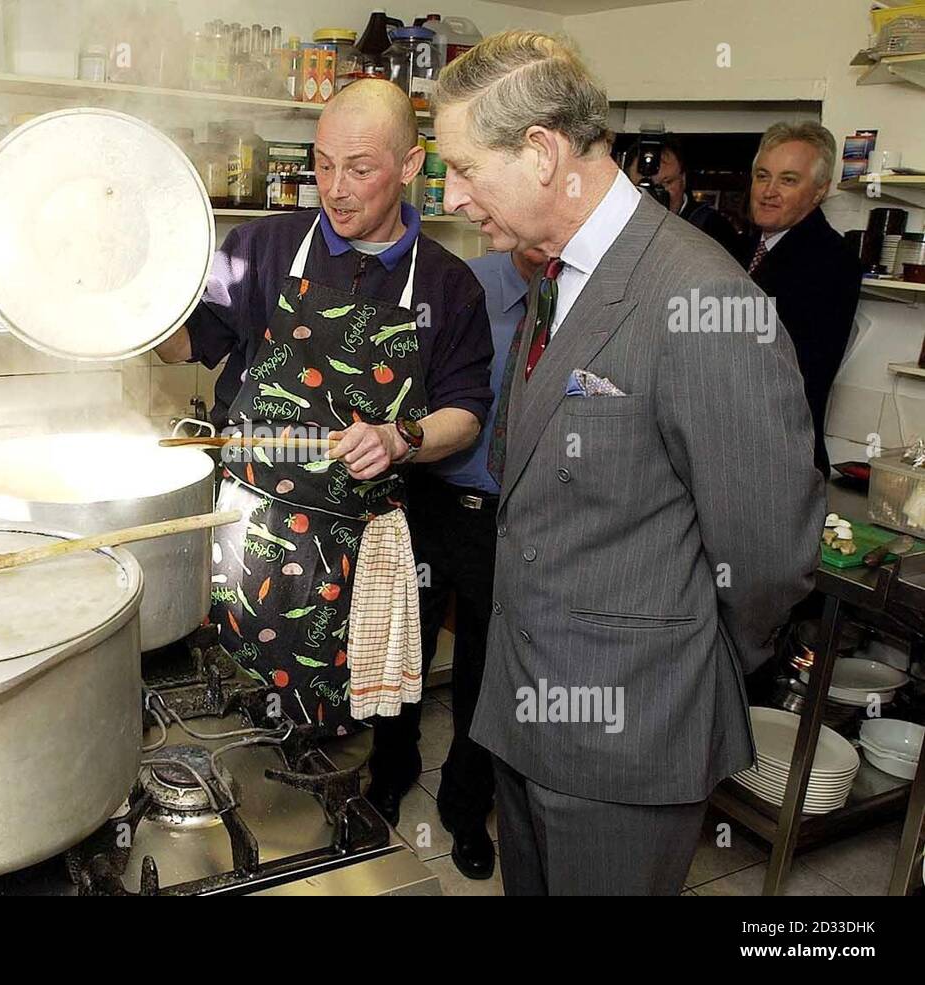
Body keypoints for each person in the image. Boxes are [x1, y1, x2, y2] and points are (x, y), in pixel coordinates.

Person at [434, 30, 825, 895]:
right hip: (524, 712)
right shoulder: (556, 276)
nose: (452, 194)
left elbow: (766, 553)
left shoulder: (705, 299)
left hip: (628, 736)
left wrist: (680, 667)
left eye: (463, 167)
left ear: (540, 152)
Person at [156, 79, 494, 737]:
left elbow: (466, 411)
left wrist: (402, 437)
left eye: (360, 168)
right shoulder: (264, 248)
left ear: (409, 165)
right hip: (248, 533)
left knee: (344, 721)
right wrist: (137, 300)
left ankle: (350, 802)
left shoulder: (449, 285)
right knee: (230, 695)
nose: (335, 187)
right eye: (323, 162)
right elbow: (186, 346)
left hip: (359, 547)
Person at [366, 247, 543, 880]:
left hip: (520, 514)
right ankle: (390, 771)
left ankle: (468, 803)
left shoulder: (582, 295)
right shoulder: (459, 283)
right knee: (402, 650)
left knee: (488, 666)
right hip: (432, 497)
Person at [736, 122, 862, 477]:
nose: (768, 191)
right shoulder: (737, 248)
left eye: (788, 180)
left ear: (819, 191)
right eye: (763, 175)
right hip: (723, 450)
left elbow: (798, 375)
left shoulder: (832, 262)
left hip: (779, 460)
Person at [622, 134, 744, 256]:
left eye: (667, 182)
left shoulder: (713, 227)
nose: (657, 194)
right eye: (646, 185)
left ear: (683, 179)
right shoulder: (620, 225)